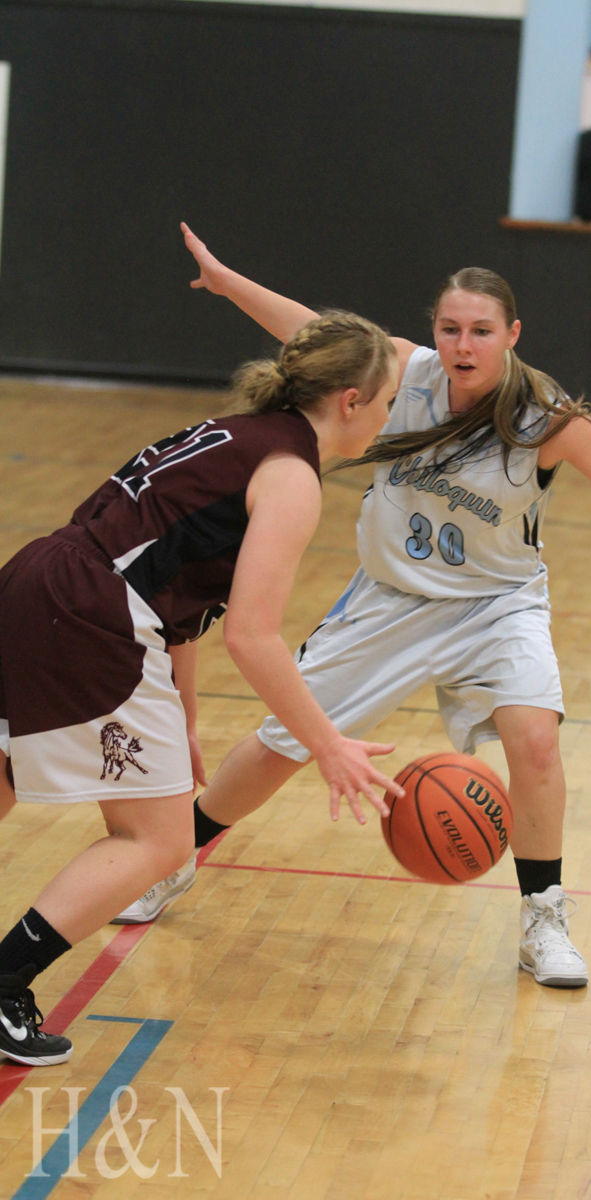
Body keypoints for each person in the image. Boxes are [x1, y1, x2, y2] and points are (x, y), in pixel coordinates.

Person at [118, 222, 591, 991]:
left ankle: (544, 914)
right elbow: (307, 330)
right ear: (434, 331)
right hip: (388, 600)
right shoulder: (403, 374)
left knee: (535, 742)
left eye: (480, 330)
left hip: (496, 606)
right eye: (450, 328)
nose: (462, 344)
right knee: (281, 747)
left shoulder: (548, 421)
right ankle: (173, 862)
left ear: (511, 334)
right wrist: (226, 279)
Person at [0, 306, 403, 1066]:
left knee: (5, 777)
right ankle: (4, 981)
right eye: (385, 403)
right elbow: (253, 634)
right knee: (159, 839)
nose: (386, 420)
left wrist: (181, 717)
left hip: (37, 581)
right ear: (351, 401)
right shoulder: (291, 478)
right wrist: (327, 746)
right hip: (92, 619)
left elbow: (177, 591)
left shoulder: (233, 433)